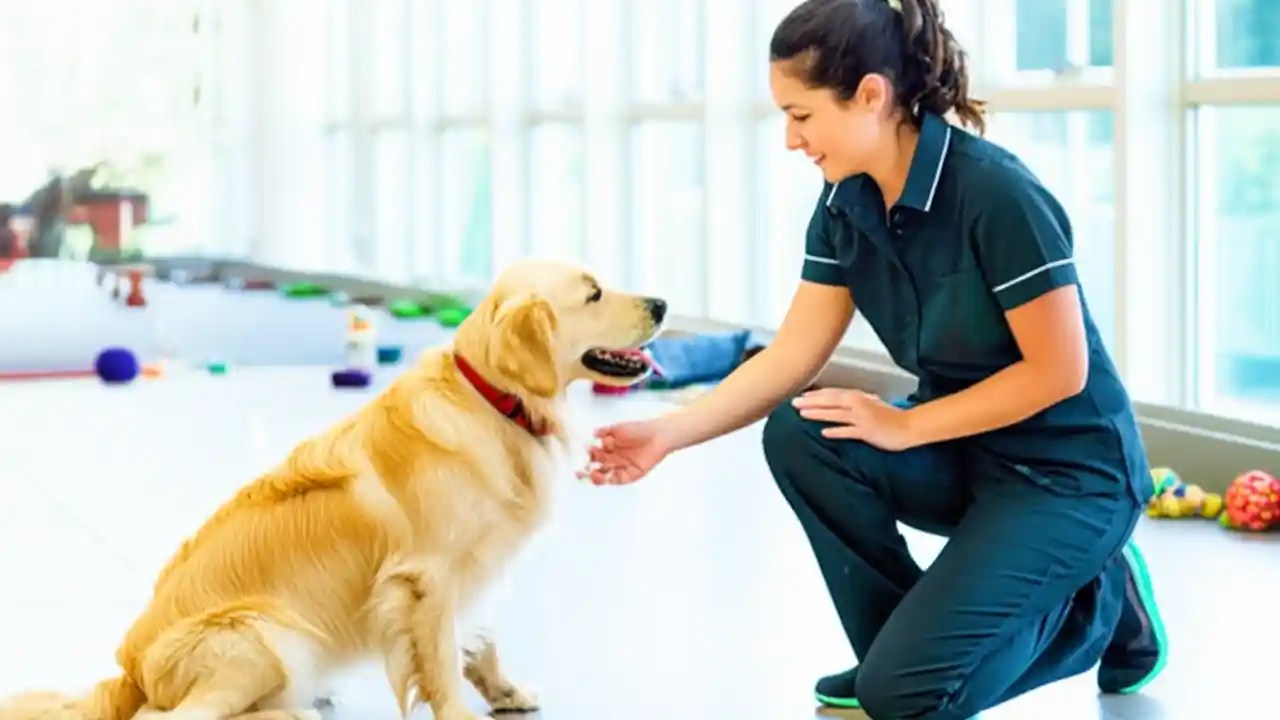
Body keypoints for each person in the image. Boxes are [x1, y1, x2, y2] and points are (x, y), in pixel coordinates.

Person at [580, 0, 1167, 718]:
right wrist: (668, 433)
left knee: (906, 698)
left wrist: (907, 426)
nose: (791, 139)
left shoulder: (998, 193)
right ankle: (900, 653)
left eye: (801, 115)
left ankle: (1096, 605)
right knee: (804, 432)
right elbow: (792, 354)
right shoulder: (843, 203)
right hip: (967, 451)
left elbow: (1059, 372)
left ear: (869, 95)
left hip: (1069, 478)